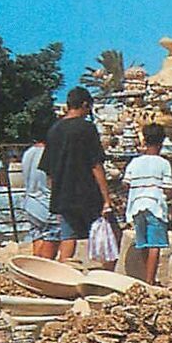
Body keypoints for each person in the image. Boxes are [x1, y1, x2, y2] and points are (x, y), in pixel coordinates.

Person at [42, 87, 115, 261]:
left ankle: (62, 272)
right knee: (110, 232)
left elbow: (48, 169)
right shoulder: (87, 128)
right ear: (84, 104)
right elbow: (96, 164)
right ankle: (105, 273)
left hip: (63, 195)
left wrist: (55, 193)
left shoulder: (54, 130)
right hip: (87, 193)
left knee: (68, 237)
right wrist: (106, 198)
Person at [122, 123, 172, 284]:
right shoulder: (163, 163)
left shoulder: (134, 162)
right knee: (155, 245)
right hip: (155, 206)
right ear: (161, 142)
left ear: (144, 140)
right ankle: (150, 280)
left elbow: (125, 183)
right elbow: (167, 189)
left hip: (136, 207)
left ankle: (147, 278)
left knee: (143, 243)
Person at [20, 129, 59, 258]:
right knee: (53, 235)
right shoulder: (50, 153)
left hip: (30, 201)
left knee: (37, 235)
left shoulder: (28, 153)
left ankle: (35, 264)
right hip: (45, 203)